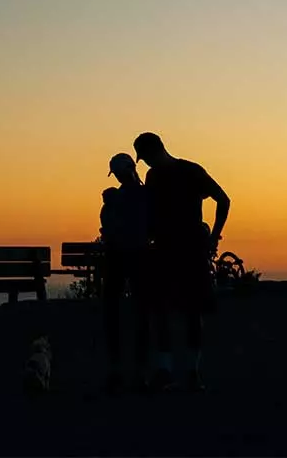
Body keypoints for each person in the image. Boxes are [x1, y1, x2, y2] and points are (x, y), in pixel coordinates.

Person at [134, 131, 230, 391]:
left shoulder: (186, 172)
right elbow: (222, 200)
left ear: (154, 151)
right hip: (175, 250)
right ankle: (176, 371)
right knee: (170, 310)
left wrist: (213, 237)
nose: (145, 163)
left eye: (144, 157)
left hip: (182, 250)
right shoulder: (176, 173)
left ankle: (187, 372)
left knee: (186, 311)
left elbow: (224, 200)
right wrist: (212, 237)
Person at [98, 153, 151, 392]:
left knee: (114, 315)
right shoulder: (147, 196)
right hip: (140, 258)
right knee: (141, 315)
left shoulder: (111, 200)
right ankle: (140, 372)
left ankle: (115, 370)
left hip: (116, 259)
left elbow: (106, 231)